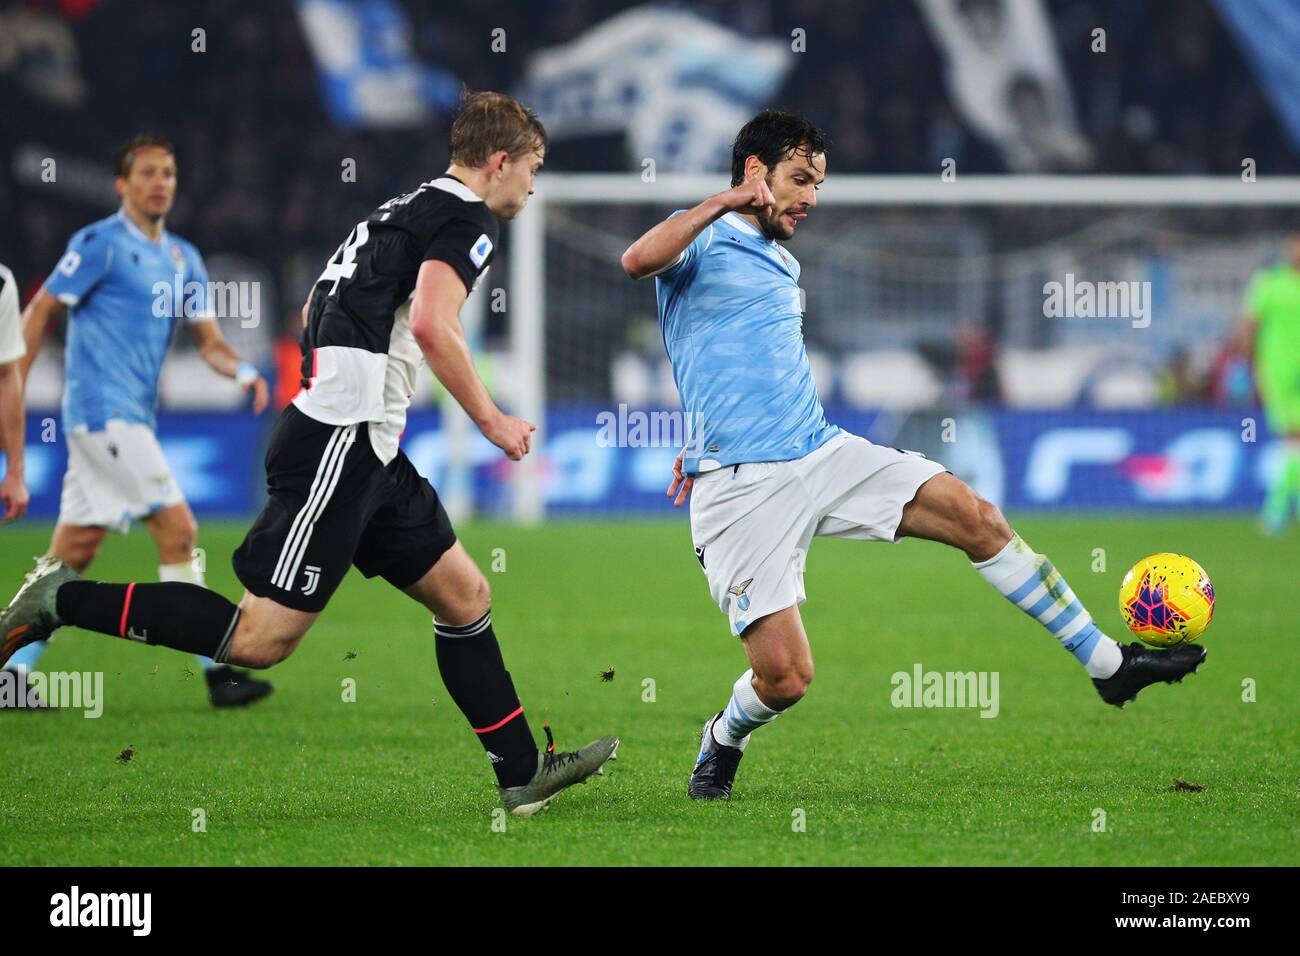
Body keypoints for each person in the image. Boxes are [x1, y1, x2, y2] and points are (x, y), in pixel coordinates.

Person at [2, 91, 617, 816]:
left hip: (364, 447)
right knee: (260, 640)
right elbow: (430, 322)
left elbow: (319, 304)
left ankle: (521, 773)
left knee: (464, 597)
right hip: (343, 444)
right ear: (500, 161)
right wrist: (488, 418)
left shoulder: (398, 210)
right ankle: (60, 599)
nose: (535, 186)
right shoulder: (465, 217)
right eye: (534, 168)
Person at [620, 109, 1205, 801]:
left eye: (818, 184)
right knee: (787, 679)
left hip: (819, 451)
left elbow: (742, 364)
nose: (810, 198)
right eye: (800, 179)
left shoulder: (780, 258)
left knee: (977, 515)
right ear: (755, 173)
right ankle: (723, 735)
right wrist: (718, 203)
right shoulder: (706, 236)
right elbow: (636, 260)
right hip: (742, 489)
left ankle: (1108, 665)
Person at [6, 135, 273, 708]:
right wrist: (15, 378)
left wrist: (244, 371)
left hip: (131, 424)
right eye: (148, 173)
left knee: (69, 558)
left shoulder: (183, 259)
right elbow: (40, 311)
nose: (160, 183)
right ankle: (217, 673)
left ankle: (11, 674)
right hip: (104, 419)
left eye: (169, 174)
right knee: (179, 531)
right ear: (121, 185)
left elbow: (209, 343)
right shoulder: (99, 244)